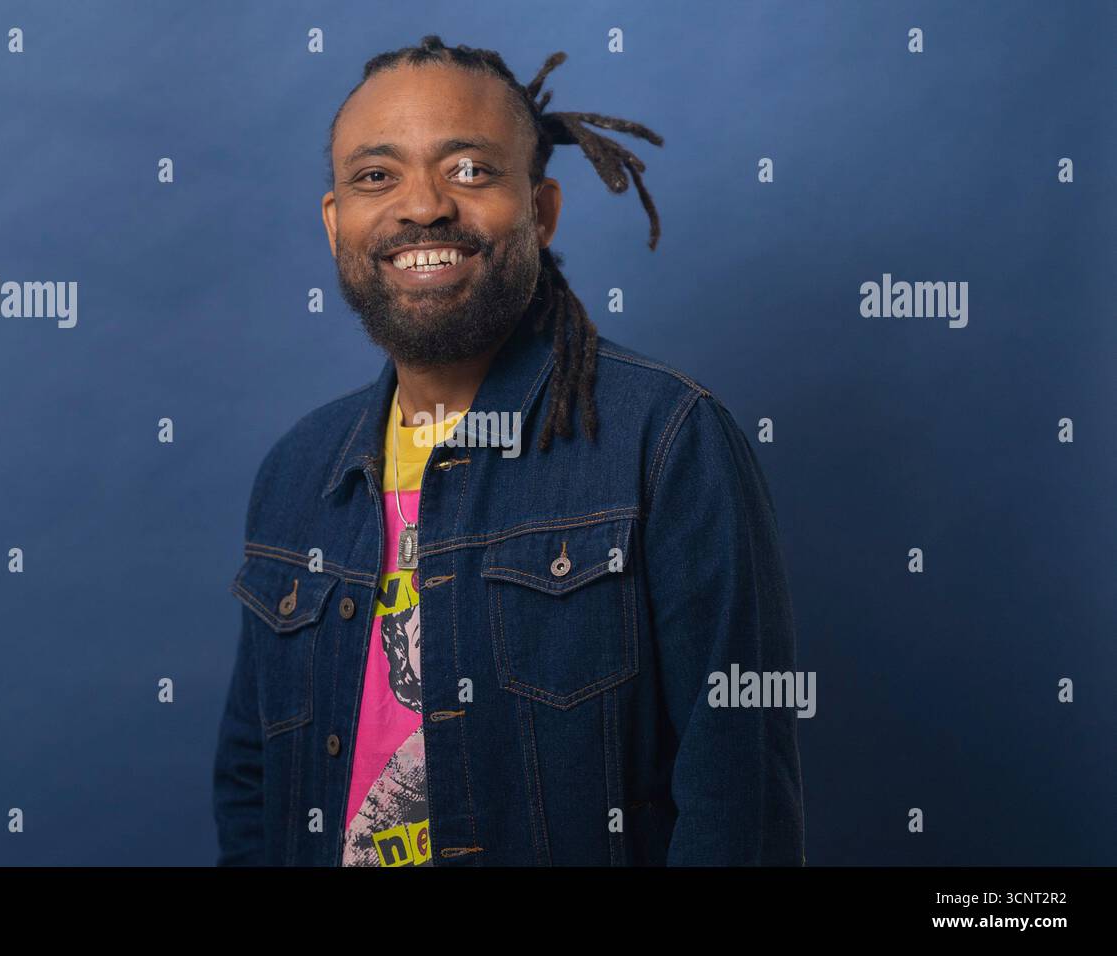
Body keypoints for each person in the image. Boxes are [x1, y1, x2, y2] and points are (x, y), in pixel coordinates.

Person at [214, 35, 805, 866]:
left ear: (542, 208)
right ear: (335, 219)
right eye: (376, 176)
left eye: (470, 170)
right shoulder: (296, 472)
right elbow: (252, 787)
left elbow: (736, 811)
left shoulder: (666, 440)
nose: (423, 206)